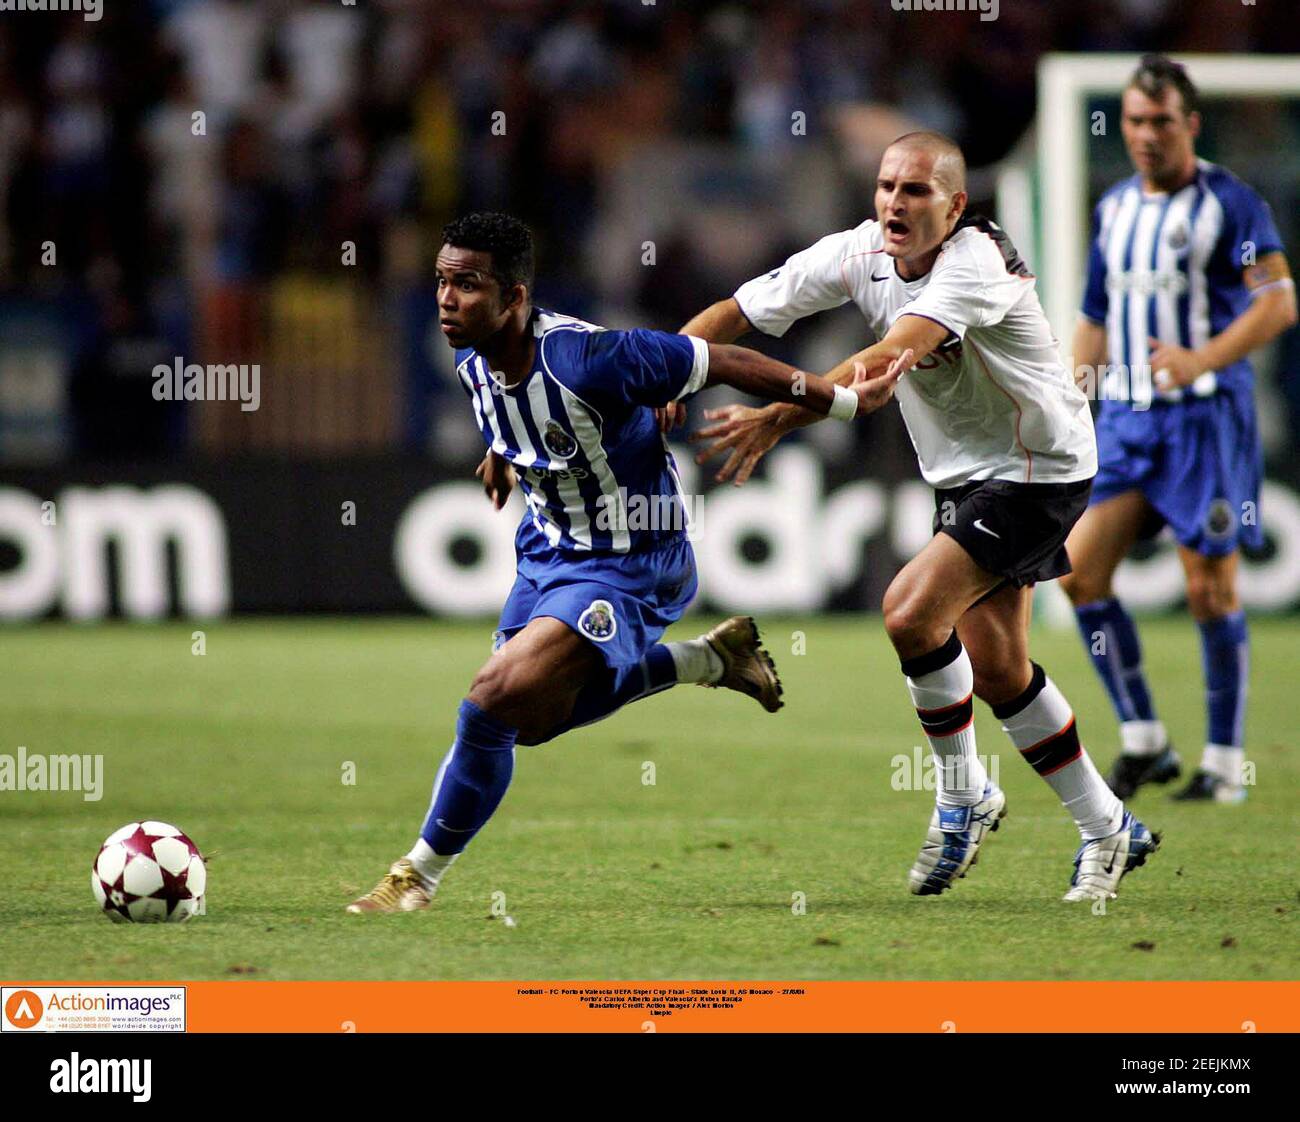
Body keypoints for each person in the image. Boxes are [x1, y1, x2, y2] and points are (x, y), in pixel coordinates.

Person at [348, 212, 901, 913]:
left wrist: (844, 402)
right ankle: (709, 660)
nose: (446, 299)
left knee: (490, 701)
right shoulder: (469, 360)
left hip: (632, 561)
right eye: (441, 282)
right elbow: (517, 416)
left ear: (515, 296)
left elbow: (724, 361)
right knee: (530, 722)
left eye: (467, 284)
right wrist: (500, 454)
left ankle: (415, 879)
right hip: (548, 552)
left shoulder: (593, 357)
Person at [685, 132, 1158, 902]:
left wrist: (775, 415)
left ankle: (963, 796)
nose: (894, 204)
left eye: (915, 192)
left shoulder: (976, 262)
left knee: (908, 612)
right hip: (963, 475)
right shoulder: (857, 251)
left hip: (1037, 468)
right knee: (999, 668)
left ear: (956, 205)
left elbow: (883, 363)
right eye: (885, 187)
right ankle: (1110, 830)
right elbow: (737, 312)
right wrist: (661, 368)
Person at [1059, 55, 1297, 804]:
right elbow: (1095, 317)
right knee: (1077, 571)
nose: (1146, 135)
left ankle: (1224, 762)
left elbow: (1279, 302)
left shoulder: (1232, 203)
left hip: (1204, 421)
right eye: (1134, 121)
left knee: (1209, 590)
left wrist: (1204, 356)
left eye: (1161, 121)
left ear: (1190, 124)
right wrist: (1072, 399)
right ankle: (1144, 738)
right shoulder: (1114, 208)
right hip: (1128, 420)